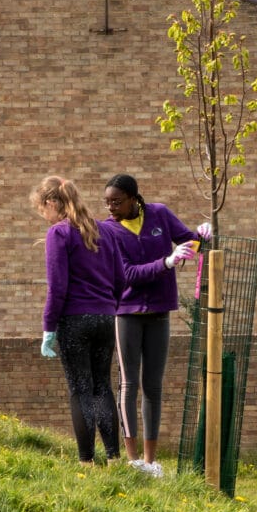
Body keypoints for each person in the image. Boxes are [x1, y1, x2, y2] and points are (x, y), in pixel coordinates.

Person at [97, 174, 206, 470]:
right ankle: (132, 460)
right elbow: (128, 273)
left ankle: (151, 461)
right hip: (127, 313)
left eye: (116, 202)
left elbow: (190, 243)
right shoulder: (108, 231)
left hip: (160, 311)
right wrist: (166, 263)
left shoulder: (159, 214)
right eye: (107, 202)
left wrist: (200, 239)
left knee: (153, 386)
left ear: (133, 198)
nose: (111, 208)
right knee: (128, 384)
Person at [35, 177, 126, 466]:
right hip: (105, 318)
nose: (44, 216)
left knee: (80, 389)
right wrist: (107, 306)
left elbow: (57, 287)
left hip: (74, 320)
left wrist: (48, 328)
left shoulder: (59, 233)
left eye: (42, 209)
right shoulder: (106, 232)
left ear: (51, 203)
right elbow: (121, 279)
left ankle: (86, 461)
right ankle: (113, 458)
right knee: (103, 386)